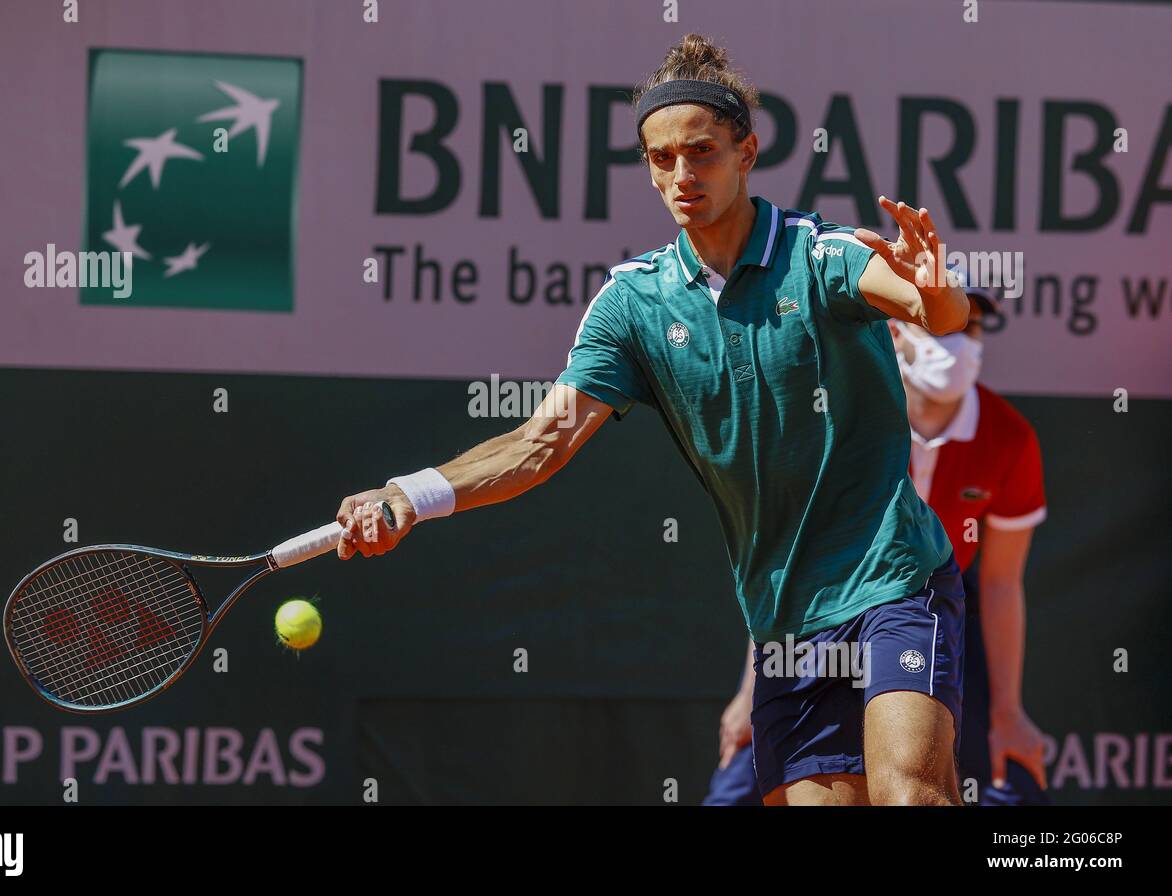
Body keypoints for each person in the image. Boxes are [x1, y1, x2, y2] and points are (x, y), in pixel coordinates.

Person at [333, 34, 972, 805]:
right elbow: (543, 442)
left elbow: (931, 309)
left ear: (747, 152)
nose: (682, 175)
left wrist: (940, 294)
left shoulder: (822, 253)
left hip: (894, 577)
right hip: (786, 622)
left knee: (911, 793)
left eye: (701, 152)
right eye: (661, 158)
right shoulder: (632, 303)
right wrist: (410, 494)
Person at [706, 284, 1050, 806]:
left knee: (1007, 782)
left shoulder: (1010, 438)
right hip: (827, 607)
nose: (957, 341)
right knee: (742, 780)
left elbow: (1001, 581)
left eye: (970, 327)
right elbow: (789, 563)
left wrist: (1008, 711)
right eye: (939, 326)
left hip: (938, 616)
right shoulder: (841, 423)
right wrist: (747, 686)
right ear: (895, 333)